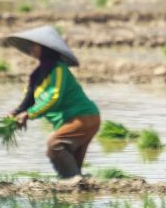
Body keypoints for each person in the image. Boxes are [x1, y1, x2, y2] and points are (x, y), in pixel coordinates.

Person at [6, 25, 100, 180]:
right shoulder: (38, 74)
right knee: (71, 166)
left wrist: (28, 115)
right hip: (69, 121)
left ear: (44, 48)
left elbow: (53, 98)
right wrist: (16, 112)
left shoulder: (58, 70)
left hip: (83, 117)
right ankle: (76, 192)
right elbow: (30, 99)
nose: (31, 48)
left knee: (55, 145)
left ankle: (74, 182)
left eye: (34, 45)